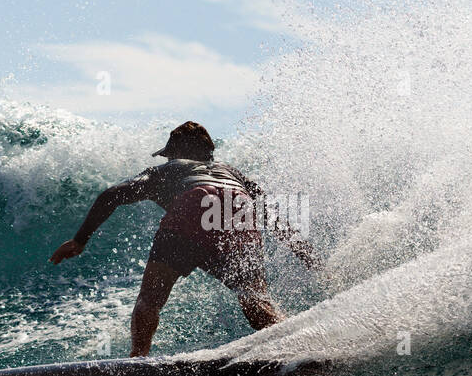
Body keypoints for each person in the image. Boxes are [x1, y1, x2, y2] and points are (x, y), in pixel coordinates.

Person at [50, 121, 318, 356]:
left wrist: (79, 241)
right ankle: (299, 348)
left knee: (150, 300)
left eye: (169, 155)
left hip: (194, 203)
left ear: (177, 152)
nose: (167, 160)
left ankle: (138, 358)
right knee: (256, 301)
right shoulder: (231, 172)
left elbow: (111, 194)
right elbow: (270, 213)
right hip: (239, 206)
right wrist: (304, 252)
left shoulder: (169, 170)